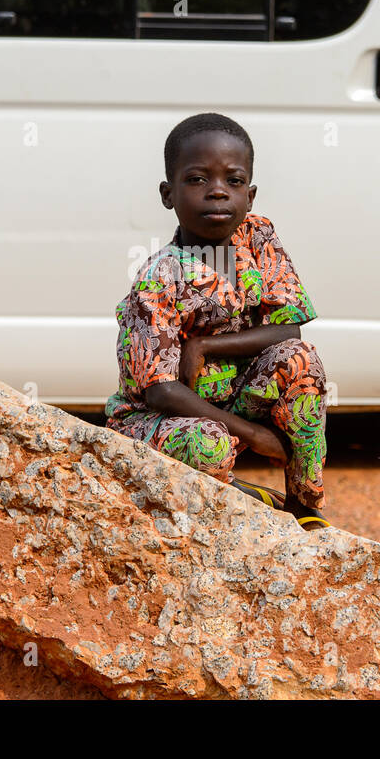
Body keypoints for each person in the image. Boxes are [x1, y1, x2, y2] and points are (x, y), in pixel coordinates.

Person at [104, 112, 331, 530]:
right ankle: (243, 499)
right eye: (197, 180)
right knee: (206, 444)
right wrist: (254, 433)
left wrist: (204, 345)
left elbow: (288, 327)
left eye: (234, 181)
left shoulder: (257, 237)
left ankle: (303, 503)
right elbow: (161, 392)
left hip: (230, 400)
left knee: (299, 358)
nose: (218, 193)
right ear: (167, 194)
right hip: (161, 420)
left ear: (251, 195)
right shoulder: (159, 279)